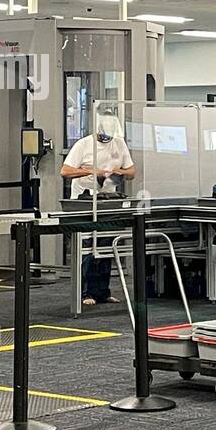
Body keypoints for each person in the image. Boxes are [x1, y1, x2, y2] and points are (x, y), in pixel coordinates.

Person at [61, 115, 136, 305]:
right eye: (103, 135)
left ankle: (102, 291)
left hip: (107, 201)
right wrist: (91, 171)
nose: (106, 139)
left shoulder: (119, 144)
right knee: (86, 248)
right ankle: (84, 292)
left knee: (105, 246)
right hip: (84, 200)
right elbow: (66, 171)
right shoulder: (83, 145)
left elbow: (132, 172)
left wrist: (121, 172)